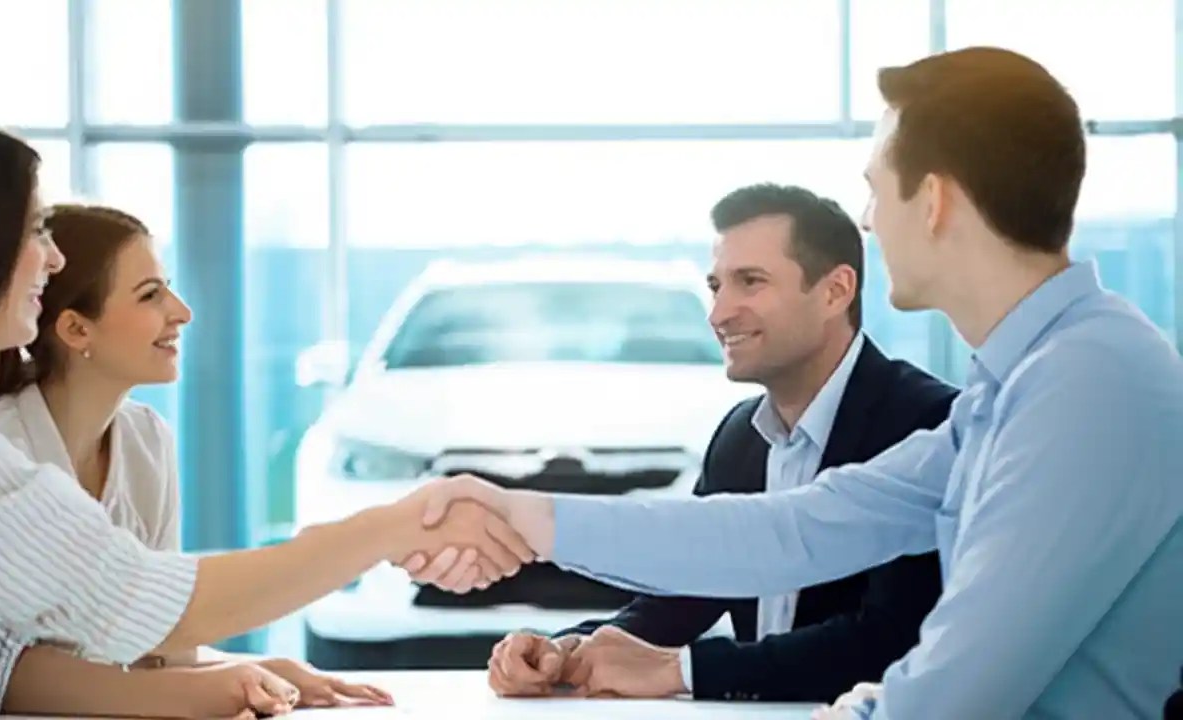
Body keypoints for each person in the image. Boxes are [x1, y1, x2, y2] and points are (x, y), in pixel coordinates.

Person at [406, 46, 1183, 719]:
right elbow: (792, 529)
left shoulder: (1090, 385)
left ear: (937, 200)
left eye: (878, 189)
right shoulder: (1012, 391)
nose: (871, 220)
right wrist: (523, 515)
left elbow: (957, 690)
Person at [0, 110, 533, 720]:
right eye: (34, 230)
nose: (54, 257)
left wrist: (226, 673)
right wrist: (395, 528)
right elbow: (134, 601)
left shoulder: (134, 438)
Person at [485, 184, 955, 703]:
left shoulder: (929, 425)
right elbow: (688, 594)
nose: (719, 314)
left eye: (750, 282)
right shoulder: (739, 436)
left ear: (835, 291)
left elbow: (891, 642)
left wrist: (683, 669)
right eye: (716, 287)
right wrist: (569, 651)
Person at [0, 203, 394, 717]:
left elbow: (157, 643)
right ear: (77, 330)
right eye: (151, 295)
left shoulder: (146, 438)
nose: (182, 312)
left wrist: (258, 672)